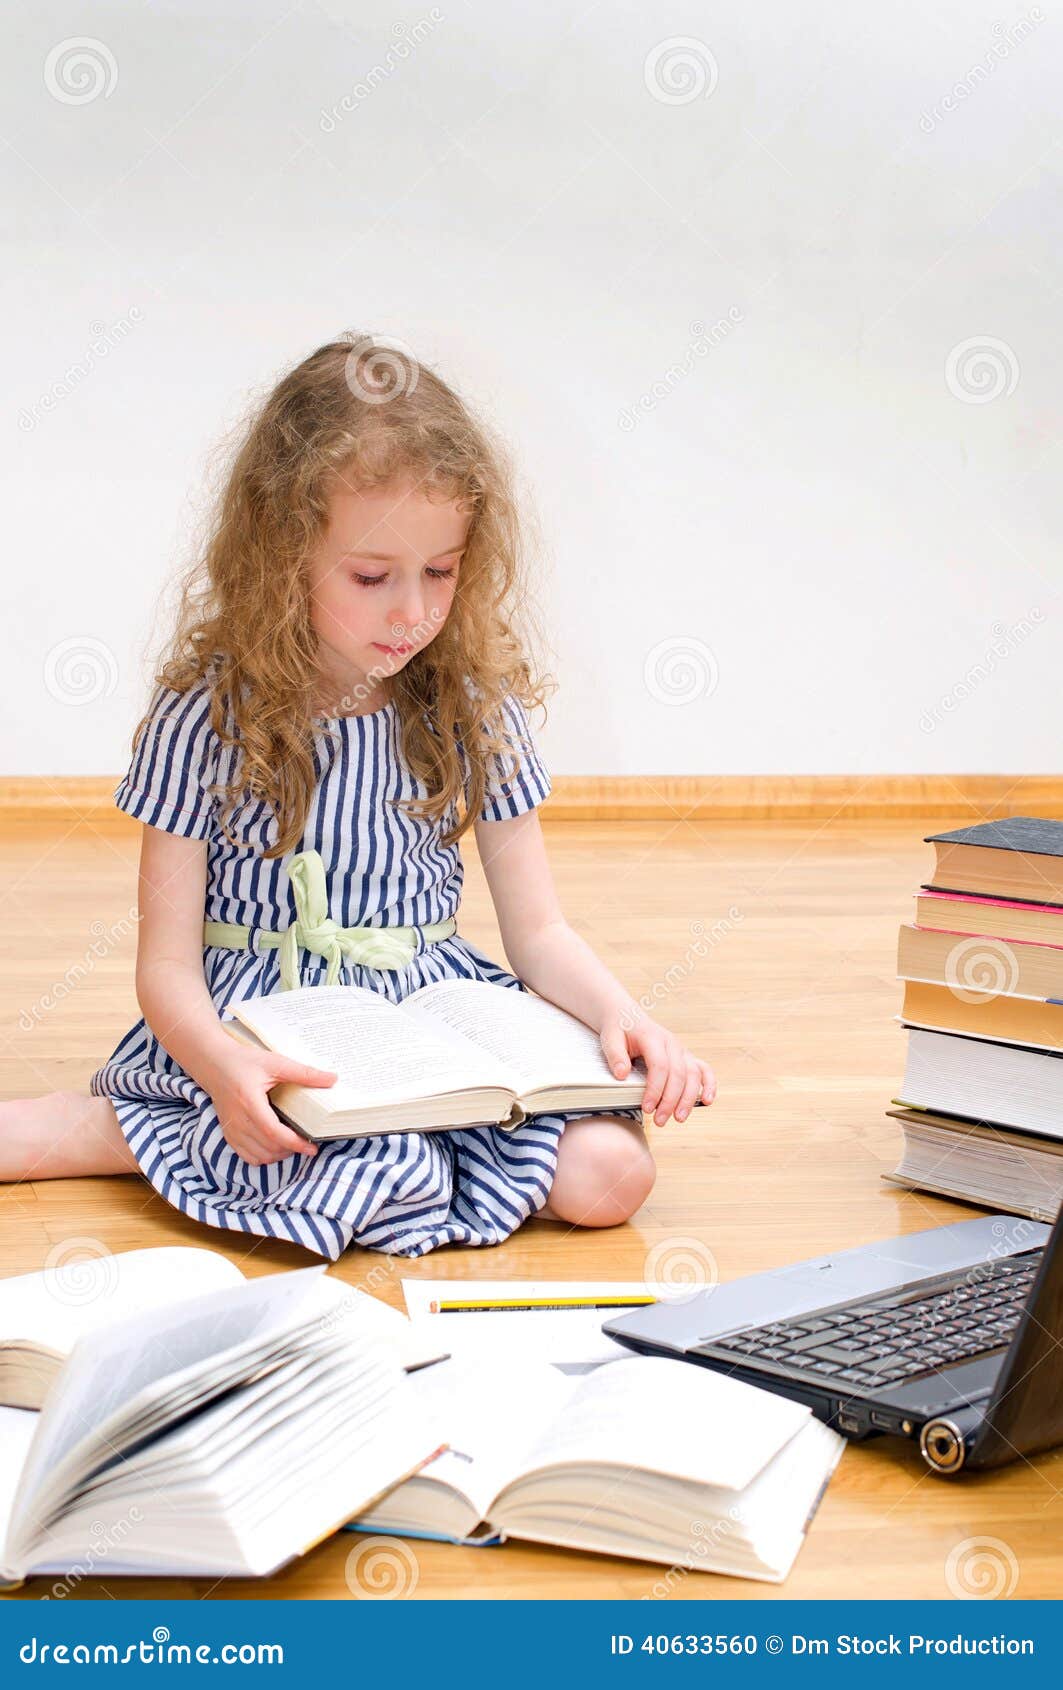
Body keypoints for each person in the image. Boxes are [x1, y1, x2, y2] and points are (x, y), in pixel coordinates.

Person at [1, 337, 716, 1260]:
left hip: (429, 1015)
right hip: (265, 1021)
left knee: (611, 1177)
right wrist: (222, 1067)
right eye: (372, 577)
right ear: (280, 554)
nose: (412, 611)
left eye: (443, 571)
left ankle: (165, 1142)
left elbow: (539, 935)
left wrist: (628, 1017)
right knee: (389, 1174)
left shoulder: (472, 704)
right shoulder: (206, 713)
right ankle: (127, 1126)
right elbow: (166, 971)